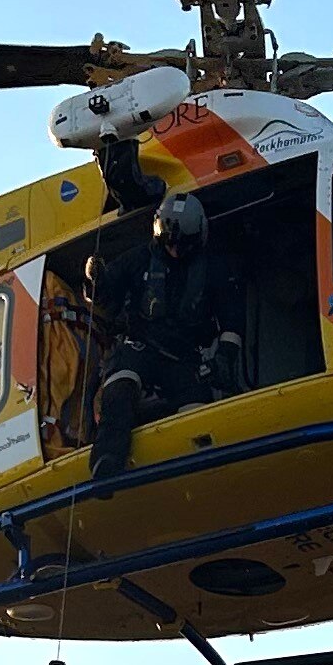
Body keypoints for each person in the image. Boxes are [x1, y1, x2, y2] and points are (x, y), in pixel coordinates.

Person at [87, 190, 220, 486]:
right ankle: (106, 461)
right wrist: (96, 279)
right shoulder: (140, 259)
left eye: (182, 245)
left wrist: (226, 353)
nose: (175, 251)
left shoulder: (210, 269)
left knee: (198, 409)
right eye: (169, 243)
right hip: (141, 347)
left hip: (184, 356)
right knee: (119, 388)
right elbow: (106, 297)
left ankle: (203, 476)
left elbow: (230, 311)